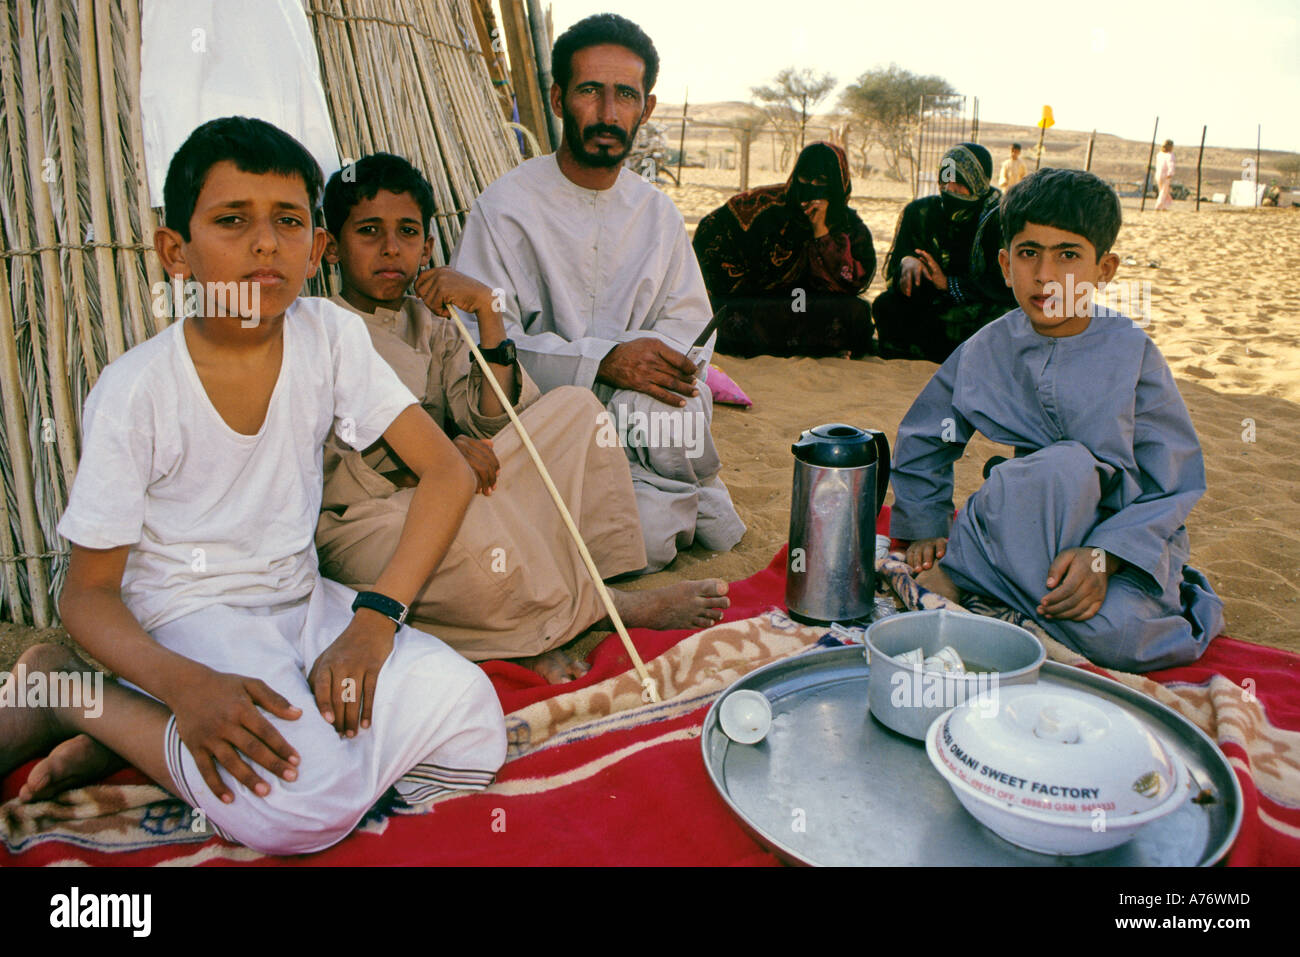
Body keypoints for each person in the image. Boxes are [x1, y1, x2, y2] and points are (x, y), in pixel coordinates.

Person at [0, 118, 508, 855]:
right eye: (233, 220)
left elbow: (447, 471)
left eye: (289, 221)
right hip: (187, 618)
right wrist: (186, 684)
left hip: (305, 602)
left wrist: (373, 623)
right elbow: (86, 595)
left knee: (473, 729)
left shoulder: (330, 334)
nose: (265, 243)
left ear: (315, 249)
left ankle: (150, 739)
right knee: (302, 810)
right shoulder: (136, 389)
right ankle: (80, 696)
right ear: (176, 251)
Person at [316, 153, 730, 682]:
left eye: (408, 232)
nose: (391, 248)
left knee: (577, 412)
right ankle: (585, 613)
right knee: (463, 536)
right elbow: (330, 464)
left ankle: (573, 596)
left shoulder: (434, 322)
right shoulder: (319, 329)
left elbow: (496, 421)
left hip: (460, 482)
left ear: (427, 246)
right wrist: (433, 461)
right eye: (369, 231)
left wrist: (488, 314)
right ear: (332, 247)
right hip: (373, 518)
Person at [890, 168, 1224, 672]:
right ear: (1005, 265)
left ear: (1103, 269)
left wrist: (1104, 556)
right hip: (1026, 520)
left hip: (1120, 531)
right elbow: (928, 433)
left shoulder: (1132, 353)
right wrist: (925, 522)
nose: (1045, 275)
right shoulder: (986, 348)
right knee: (1057, 469)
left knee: (1121, 638)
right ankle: (978, 575)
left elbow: (1172, 481)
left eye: (1068, 255)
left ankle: (989, 588)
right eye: (1028, 253)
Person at [451, 12, 745, 573]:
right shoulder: (506, 207)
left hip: (645, 422)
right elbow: (479, 341)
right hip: (547, 415)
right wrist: (601, 362)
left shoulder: (657, 214)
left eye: (626, 96)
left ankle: (668, 494)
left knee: (668, 423)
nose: (609, 114)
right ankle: (681, 500)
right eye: (591, 92)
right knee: (642, 538)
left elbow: (690, 328)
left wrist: (654, 363)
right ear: (560, 100)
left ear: (647, 108)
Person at [692, 141, 876, 358]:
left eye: (821, 181)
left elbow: (853, 282)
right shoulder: (766, 206)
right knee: (720, 312)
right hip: (759, 301)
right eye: (804, 178)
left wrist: (821, 232)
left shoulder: (848, 224)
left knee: (855, 312)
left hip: (812, 305)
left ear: (837, 184)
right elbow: (712, 234)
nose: (811, 187)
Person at [872, 143, 1017, 363]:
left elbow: (1005, 285)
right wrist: (908, 260)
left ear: (978, 183)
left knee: (1001, 320)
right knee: (886, 305)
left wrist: (949, 284)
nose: (950, 189)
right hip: (931, 304)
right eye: (945, 181)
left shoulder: (999, 220)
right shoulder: (921, 212)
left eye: (959, 183)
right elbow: (899, 264)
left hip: (978, 305)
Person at [1154, 140, 1175, 211]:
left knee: (1162, 191)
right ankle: (1158, 205)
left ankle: (1164, 206)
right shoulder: (1170, 155)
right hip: (1165, 174)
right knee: (1163, 191)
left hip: (1158, 174)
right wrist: (1170, 173)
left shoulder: (1159, 154)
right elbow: (1171, 164)